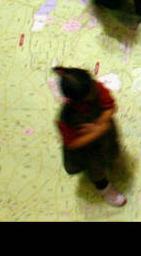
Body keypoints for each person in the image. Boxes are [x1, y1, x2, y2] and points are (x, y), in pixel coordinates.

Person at [54, 67, 126, 207]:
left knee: (112, 151)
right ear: (77, 100)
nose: (96, 91)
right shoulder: (66, 116)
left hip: (106, 137)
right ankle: (104, 188)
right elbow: (72, 143)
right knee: (96, 169)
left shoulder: (94, 87)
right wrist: (97, 132)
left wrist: (102, 122)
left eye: (93, 86)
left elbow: (110, 106)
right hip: (86, 151)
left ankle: (110, 160)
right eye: (91, 93)